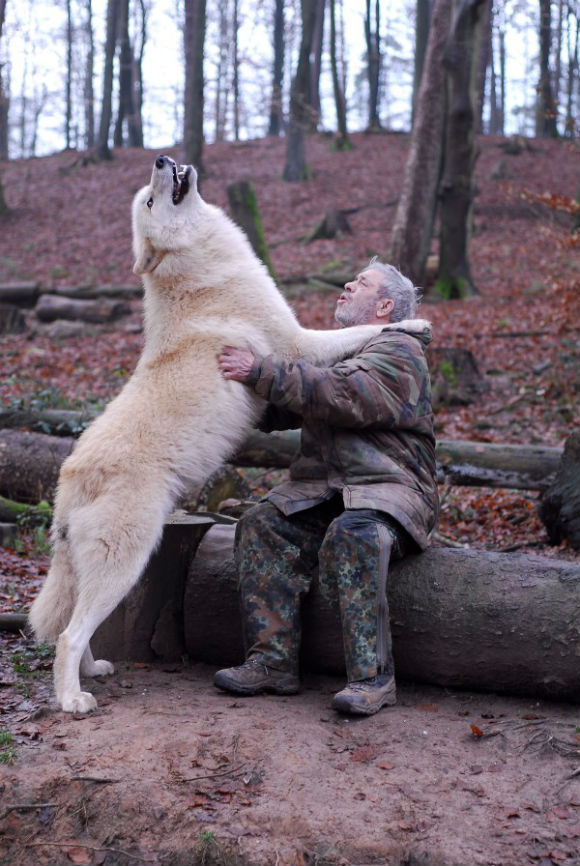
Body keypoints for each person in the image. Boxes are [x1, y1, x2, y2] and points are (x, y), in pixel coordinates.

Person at [213, 259, 439, 716]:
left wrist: (262, 371)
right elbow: (287, 404)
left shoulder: (400, 349)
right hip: (324, 492)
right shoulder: (338, 350)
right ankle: (272, 664)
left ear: (385, 306)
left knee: (354, 534)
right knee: (262, 525)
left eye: (362, 283)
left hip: (390, 491)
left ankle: (372, 678)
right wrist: (227, 388)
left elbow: (344, 394)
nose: (347, 285)